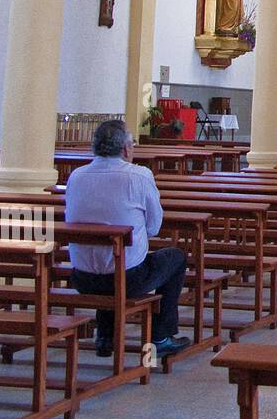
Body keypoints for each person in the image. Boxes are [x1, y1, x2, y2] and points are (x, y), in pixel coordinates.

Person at [66, 120, 189, 359]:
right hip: (129, 279)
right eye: (132, 144)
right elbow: (154, 226)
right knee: (175, 257)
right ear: (125, 149)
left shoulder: (77, 176)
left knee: (109, 257)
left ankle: (105, 336)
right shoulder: (139, 176)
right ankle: (160, 337)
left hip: (82, 278)